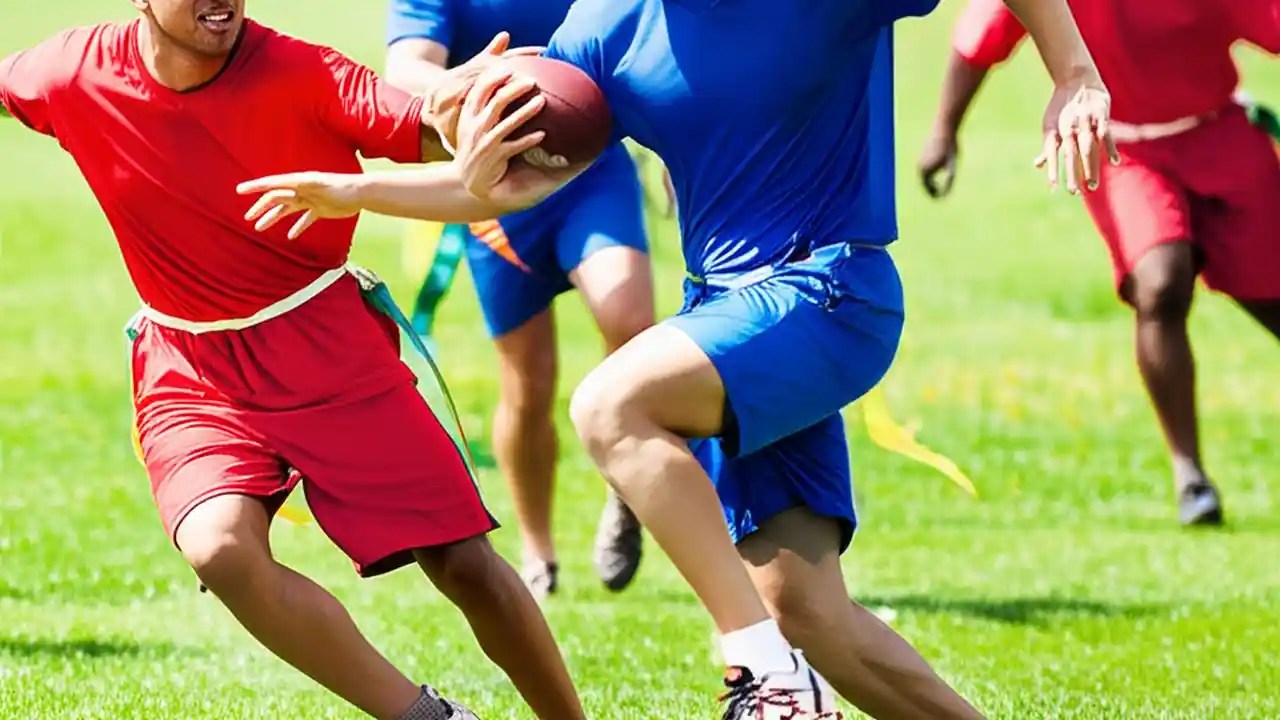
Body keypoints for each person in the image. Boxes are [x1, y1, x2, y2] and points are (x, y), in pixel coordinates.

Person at [236, 0, 1118, 715]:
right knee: (812, 615)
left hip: (828, 288)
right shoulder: (609, 24)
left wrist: (1074, 71)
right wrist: (351, 189)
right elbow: (501, 185)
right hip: (726, 307)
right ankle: (784, 657)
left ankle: (762, 673)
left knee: (610, 405)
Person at [0, 3, 586, 719]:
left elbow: (434, 140)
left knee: (465, 566)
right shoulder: (71, 71)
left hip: (328, 351)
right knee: (220, 548)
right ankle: (429, 718)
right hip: (189, 368)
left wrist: (469, 109)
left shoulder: (305, 72)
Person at [919, 0, 1280, 526]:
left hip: (1219, 134)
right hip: (1125, 150)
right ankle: (1191, 477)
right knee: (1160, 283)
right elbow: (981, 38)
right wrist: (943, 132)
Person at [383, 0, 655, 598]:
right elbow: (405, 66)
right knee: (528, 382)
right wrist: (489, 85)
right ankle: (539, 553)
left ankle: (625, 480)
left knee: (629, 319)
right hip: (497, 191)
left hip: (592, 172)